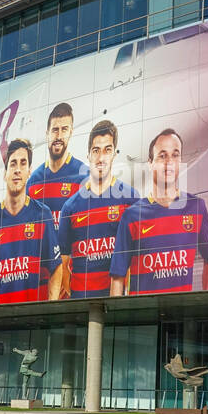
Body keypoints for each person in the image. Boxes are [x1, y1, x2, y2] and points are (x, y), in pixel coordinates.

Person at [109, 128, 208, 296]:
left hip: (180, 318)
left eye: (175, 155)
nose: (169, 162)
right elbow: (117, 277)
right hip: (144, 319)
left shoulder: (196, 208)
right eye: (162, 155)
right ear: (150, 163)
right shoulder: (131, 216)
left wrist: (207, 302)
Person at [0, 138, 64, 305]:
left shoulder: (42, 215)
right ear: (5, 173)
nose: (17, 170)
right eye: (13, 164)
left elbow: (56, 267)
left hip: (30, 326)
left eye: (23, 164)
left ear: (29, 171)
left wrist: (50, 309)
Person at [59, 120, 139, 299]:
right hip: (81, 305)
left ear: (114, 154)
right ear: (88, 155)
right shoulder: (70, 207)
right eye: (96, 151)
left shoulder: (131, 198)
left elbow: (138, 256)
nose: (101, 158)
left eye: (107, 150)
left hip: (118, 305)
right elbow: (63, 263)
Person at [26, 102, 88, 228]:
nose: (59, 136)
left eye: (64, 129)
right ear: (47, 133)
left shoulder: (85, 177)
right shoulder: (33, 181)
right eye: (55, 130)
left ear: (70, 133)